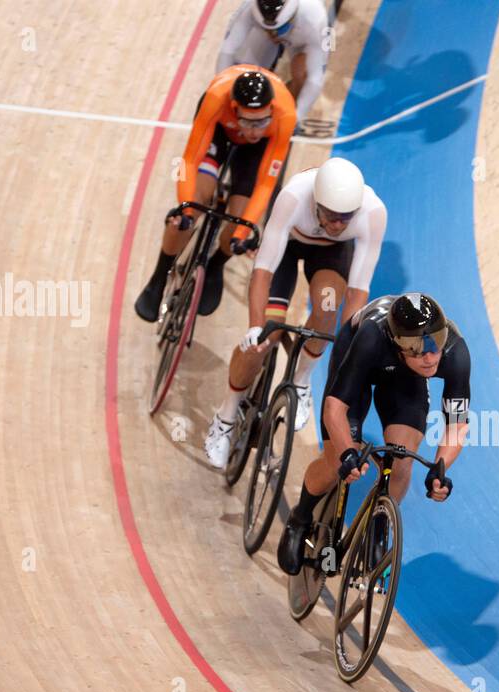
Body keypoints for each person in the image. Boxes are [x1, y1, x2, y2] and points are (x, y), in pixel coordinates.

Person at [204, 157, 386, 465]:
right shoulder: (294, 196)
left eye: (346, 218)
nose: (338, 223)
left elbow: (357, 293)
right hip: (286, 247)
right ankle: (225, 417)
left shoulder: (373, 212)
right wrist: (255, 326)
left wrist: (348, 349)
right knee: (265, 336)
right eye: (332, 215)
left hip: (331, 255)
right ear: (317, 201)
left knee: (327, 309)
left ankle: (302, 381)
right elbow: (262, 270)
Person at [275, 293, 470, 576]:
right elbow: (334, 409)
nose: (429, 357)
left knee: (402, 461)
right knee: (335, 463)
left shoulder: (455, 353)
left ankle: (378, 527)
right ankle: (300, 516)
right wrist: (346, 452)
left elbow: (457, 425)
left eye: (435, 343)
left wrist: (440, 468)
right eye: (417, 348)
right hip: (360, 360)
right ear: (398, 343)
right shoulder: (372, 336)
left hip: (406, 380)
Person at [133, 66, 296, 323]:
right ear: (234, 107)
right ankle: (159, 275)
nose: (253, 130)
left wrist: (242, 234)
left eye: (261, 121)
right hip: (220, 131)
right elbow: (189, 160)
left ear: (272, 110)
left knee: (239, 223)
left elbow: (266, 185)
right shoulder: (217, 97)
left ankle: (216, 266)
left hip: (257, 151)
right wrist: (186, 211)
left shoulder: (285, 114)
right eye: (247, 121)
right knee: (191, 206)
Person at [217, 0, 330, 125]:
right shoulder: (250, 8)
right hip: (263, 31)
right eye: (270, 29)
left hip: (303, 39)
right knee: (243, 72)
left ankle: (280, 111)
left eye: (280, 29)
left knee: (303, 74)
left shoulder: (316, 18)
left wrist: (296, 118)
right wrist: (225, 92)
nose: (274, 34)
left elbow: (315, 79)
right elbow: (227, 51)